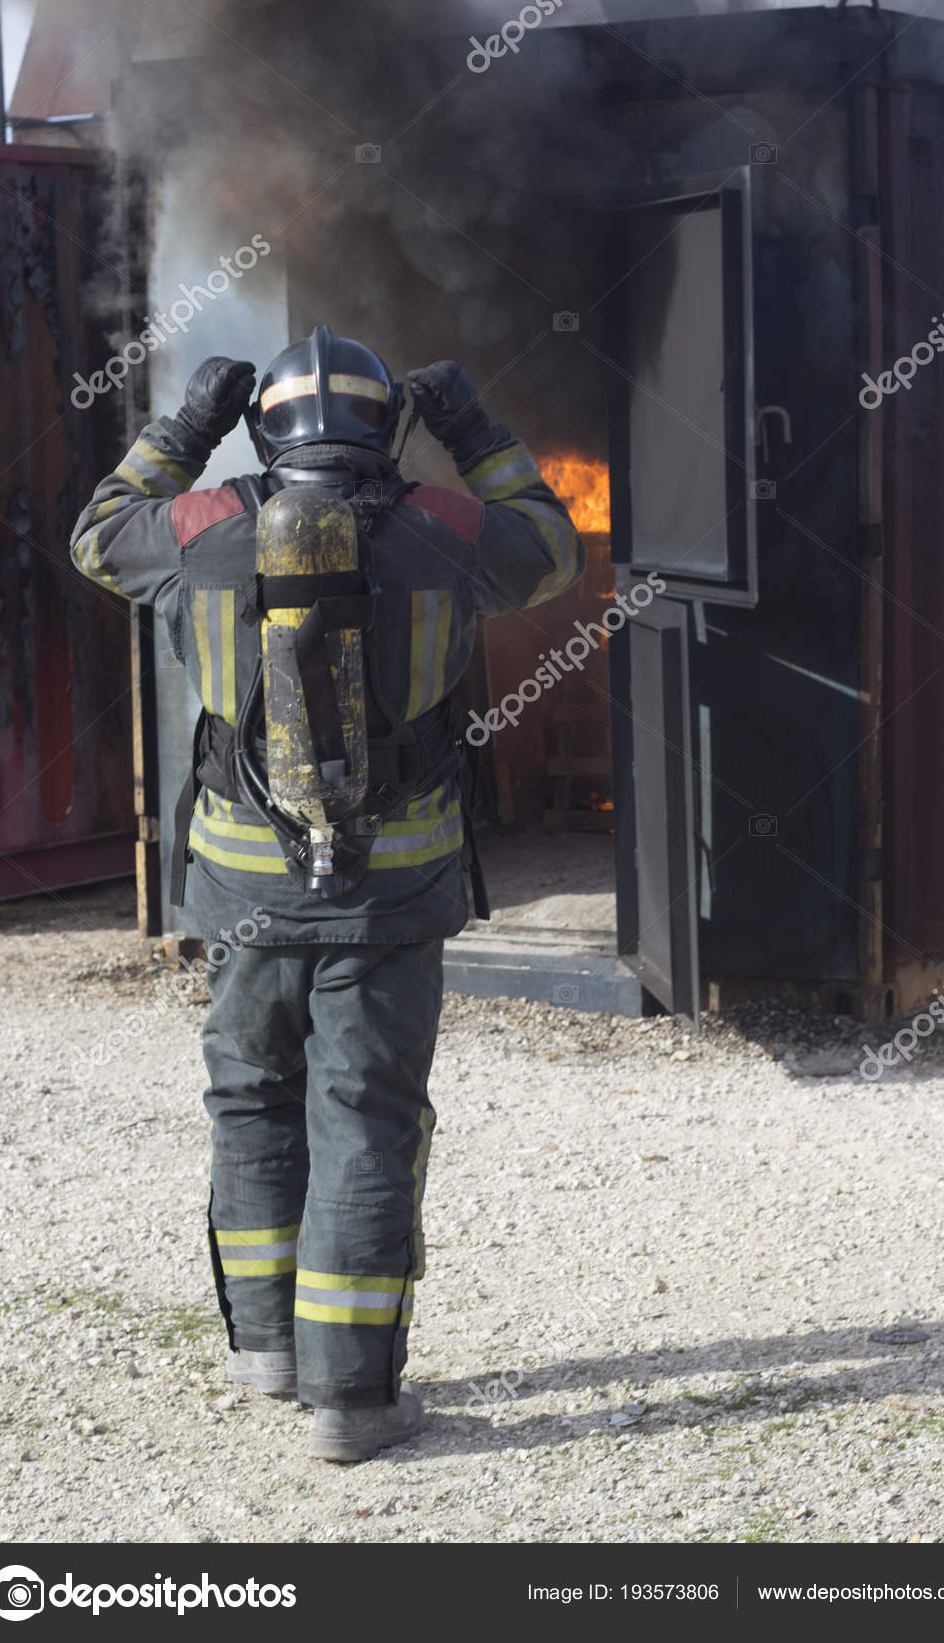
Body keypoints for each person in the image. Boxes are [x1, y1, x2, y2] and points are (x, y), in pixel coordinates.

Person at [71, 326, 584, 1460]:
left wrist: (184, 427)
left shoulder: (199, 529)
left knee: (252, 1096)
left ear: (265, 427)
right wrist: (475, 432)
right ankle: (351, 1400)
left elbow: (94, 536)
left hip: (242, 882)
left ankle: (265, 1352)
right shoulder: (445, 531)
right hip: (391, 884)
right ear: (382, 425)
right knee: (365, 1116)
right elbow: (553, 549)